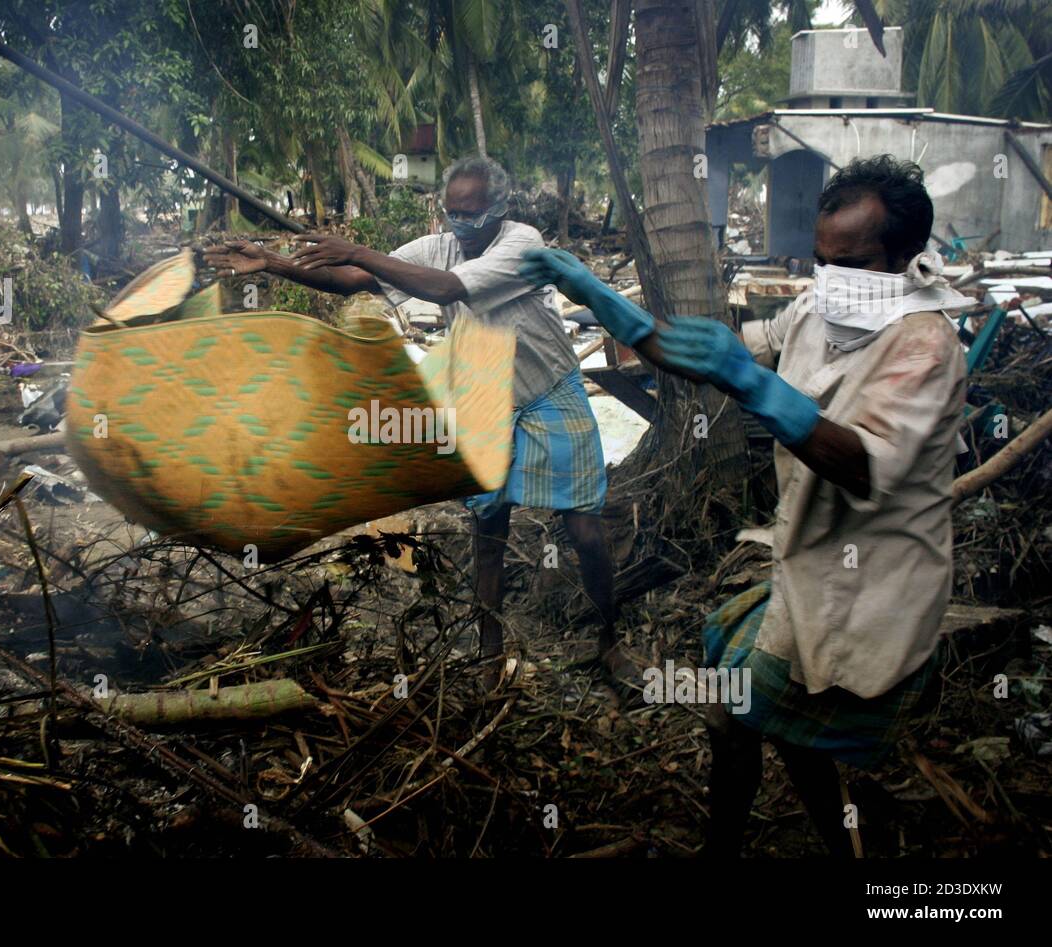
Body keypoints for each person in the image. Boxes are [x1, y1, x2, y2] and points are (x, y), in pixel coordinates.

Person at [519, 155, 971, 855]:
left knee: (749, 711)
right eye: (822, 261)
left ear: (906, 257)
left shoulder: (927, 344)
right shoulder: (821, 307)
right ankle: (752, 840)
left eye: (851, 263)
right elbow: (722, 350)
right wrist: (610, 302)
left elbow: (862, 463)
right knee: (749, 715)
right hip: (810, 564)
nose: (831, 280)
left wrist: (757, 390)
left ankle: (811, 844)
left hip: (875, 583)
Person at [203, 155, 620, 685]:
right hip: (486, 399)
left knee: (584, 528)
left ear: (500, 209)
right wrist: (271, 262)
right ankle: (489, 659)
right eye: (452, 213)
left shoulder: (523, 243)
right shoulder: (439, 246)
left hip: (549, 390)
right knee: (488, 526)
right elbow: (355, 277)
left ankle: (609, 641)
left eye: (472, 214)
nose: (460, 225)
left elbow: (444, 288)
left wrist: (359, 249)